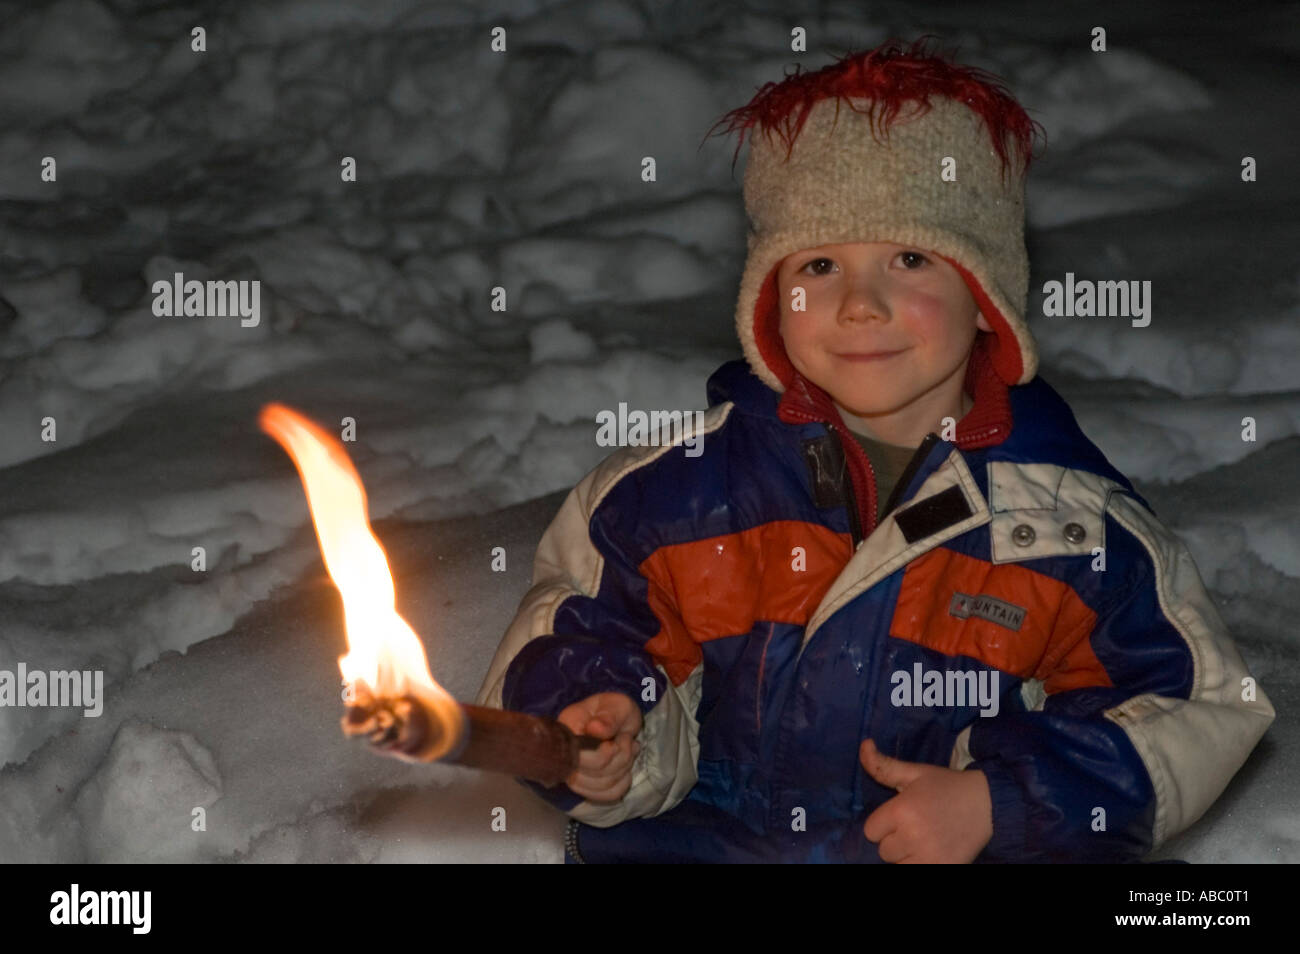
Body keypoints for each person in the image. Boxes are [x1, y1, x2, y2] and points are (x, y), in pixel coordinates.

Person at [474, 38, 1275, 862]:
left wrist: (1004, 802)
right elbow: (574, 634)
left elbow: (1194, 708)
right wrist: (596, 730)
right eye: (819, 264)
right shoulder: (667, 502)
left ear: (985, 297)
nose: (861, 304)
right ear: (767, 302)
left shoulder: (1071, 532)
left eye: (910, 258)